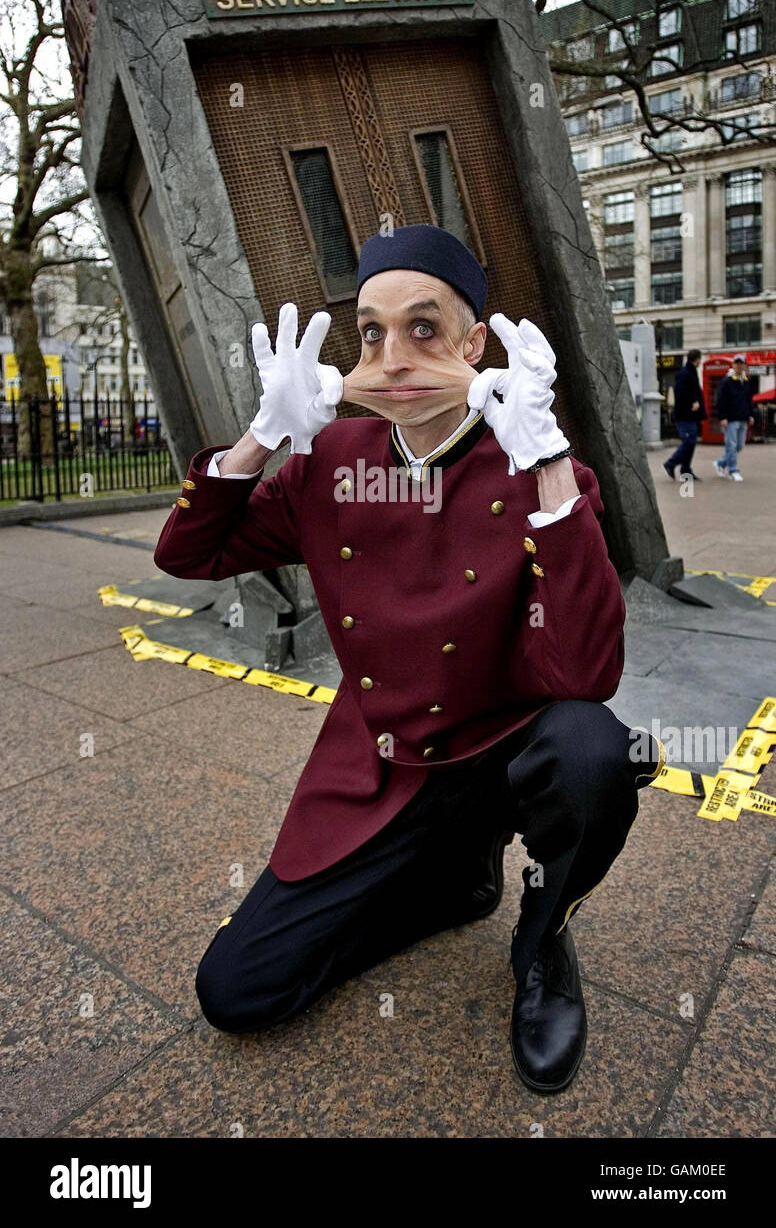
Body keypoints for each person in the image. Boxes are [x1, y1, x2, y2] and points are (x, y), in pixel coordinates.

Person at [153, 223, 663, 1095]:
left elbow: (585, 676)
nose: (392, 358)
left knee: (593, 751)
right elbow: (190, 555)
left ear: (475, 344)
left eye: (424, 330)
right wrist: (262, 436)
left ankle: (542, 944)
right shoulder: (330, 463)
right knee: (238, 991)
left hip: (510, 747)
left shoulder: (533, 462)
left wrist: (544, 461)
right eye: (371, 333)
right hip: (388, 764)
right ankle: (452, 881)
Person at [663, 349, 706, 481]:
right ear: (697, 359)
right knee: (688, 442)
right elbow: (680, 392)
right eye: (700, 359)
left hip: (691, 415)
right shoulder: (685, 373)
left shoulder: (691, 371)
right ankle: (670, 464)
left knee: (691, 443)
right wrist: (692, 402)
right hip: (685, 415)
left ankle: (686, 470)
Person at [713, 353, 755, 482]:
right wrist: (723, 417)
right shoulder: (726, 381)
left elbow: (749, 400)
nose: (738, 365)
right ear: (733, 365)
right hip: (730, 419)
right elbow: (720, 400)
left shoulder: (746, 381)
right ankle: (733, 470)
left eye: (741, 363)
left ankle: (720, 463)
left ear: (744, 365)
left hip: (743, 418)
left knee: (740, 446)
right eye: (736, 363)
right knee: (731, 445)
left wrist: (751, 415)